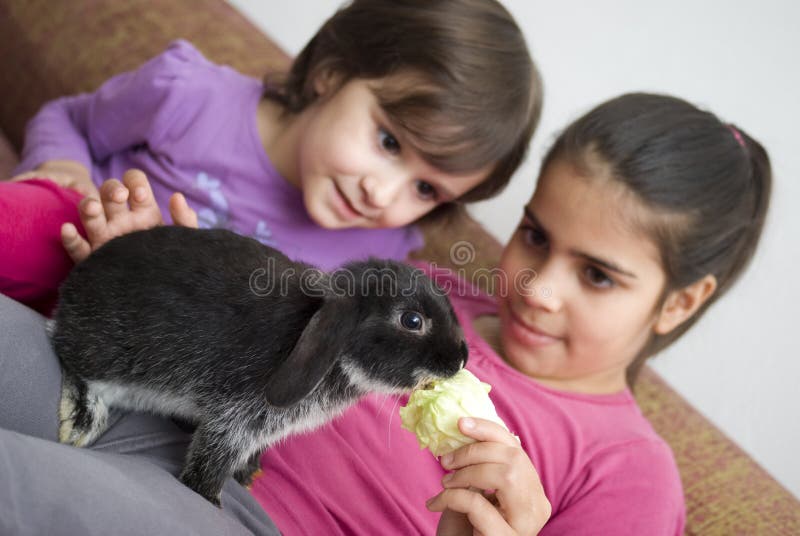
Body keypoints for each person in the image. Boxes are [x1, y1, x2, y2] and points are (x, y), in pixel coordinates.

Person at [247, 92, 771, 535]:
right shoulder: (430, 293)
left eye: (597, 275)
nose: (537, 289)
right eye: (536, 236)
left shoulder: (630, 473)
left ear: (680, 301)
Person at [0, 0, 542, 316]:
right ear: (331, 72)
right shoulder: (189, 95)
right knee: (38, 218)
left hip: (150, 356)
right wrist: (64, 170)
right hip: (68, 254)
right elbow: (69, 120)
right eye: (390, 142)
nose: (381, 193)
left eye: (426, 190)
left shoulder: (383, 252)